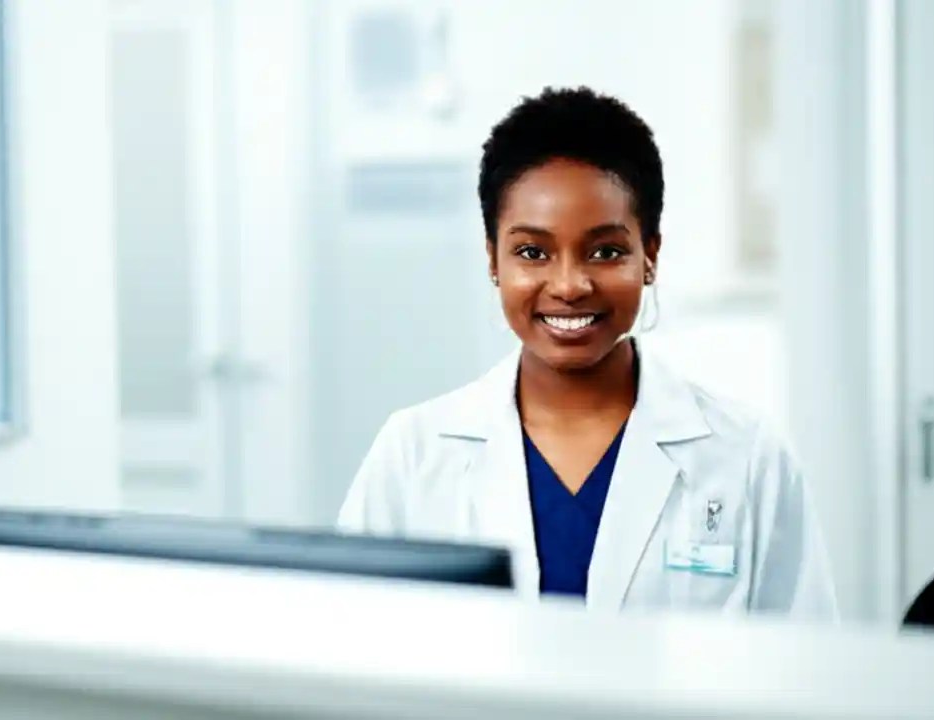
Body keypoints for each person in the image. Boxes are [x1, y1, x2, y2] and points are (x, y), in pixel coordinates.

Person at [338, 87, 837, 619]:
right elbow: (351, 655)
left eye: (606, 252)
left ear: (650, 256)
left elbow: (803, 670)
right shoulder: (413, 453)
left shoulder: (747, 457)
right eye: (532, 252)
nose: (570, 285)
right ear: (493, 260)